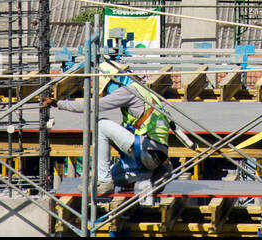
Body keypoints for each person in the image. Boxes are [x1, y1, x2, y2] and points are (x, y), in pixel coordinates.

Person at [41, 67, 172, 196]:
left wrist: (58, 103)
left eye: (107, 88)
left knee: (101, 125)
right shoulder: (144, 91)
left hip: (147, 149)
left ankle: (105, 181)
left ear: (113, 81)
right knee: (104, 181)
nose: (108, 92)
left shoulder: (129, 91)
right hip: (154, 154)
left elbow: (92, 106)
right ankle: (153, 176)